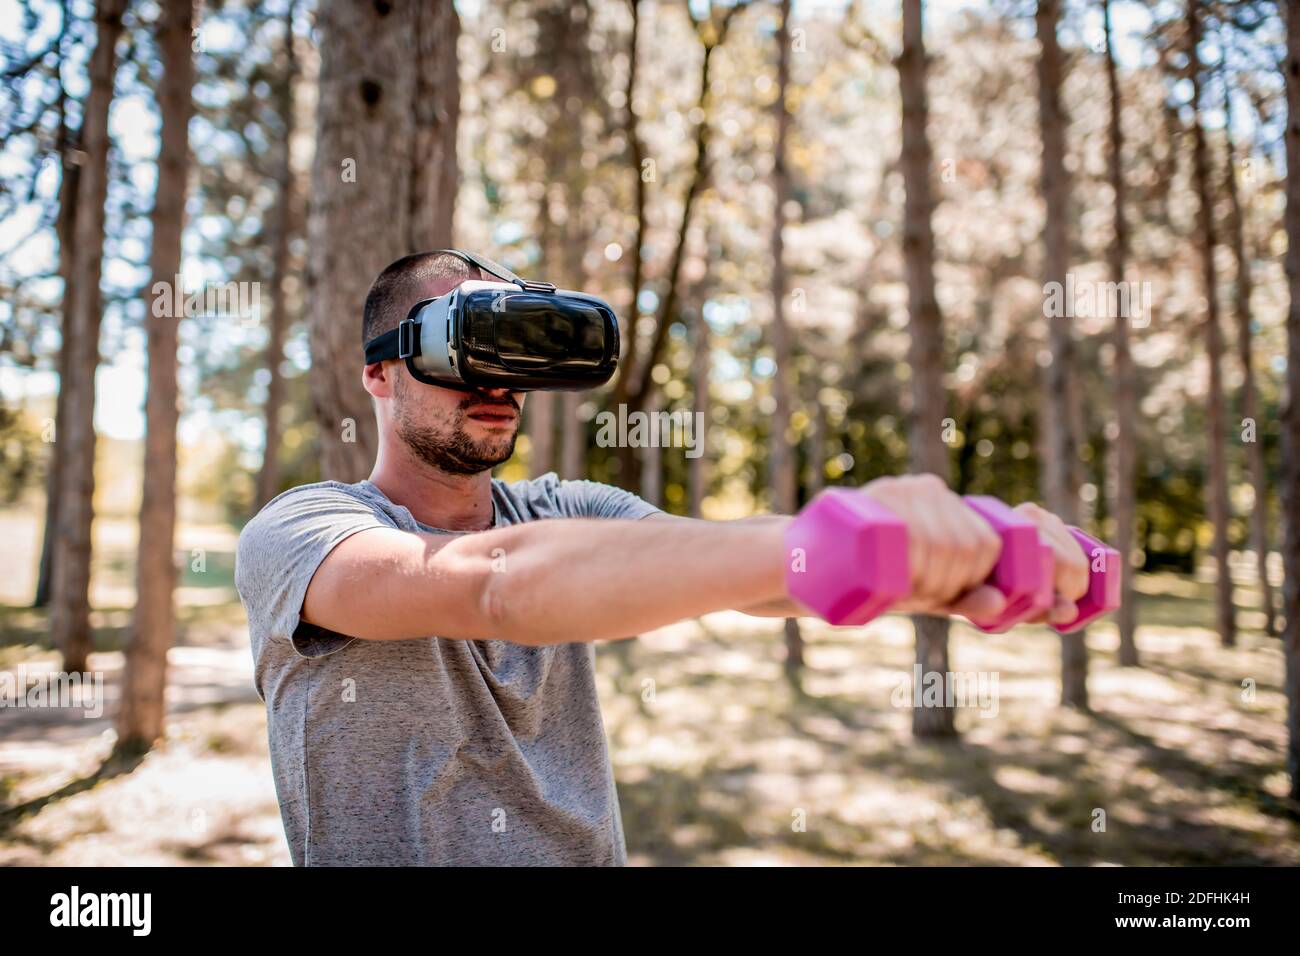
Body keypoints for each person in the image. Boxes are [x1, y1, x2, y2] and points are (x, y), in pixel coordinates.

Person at [235, 249, 1089, 866]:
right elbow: (489, 585)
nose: (499, 385)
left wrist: (954, 562)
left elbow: (746, 569)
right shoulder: (301, 532)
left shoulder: (567, 509)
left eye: (517, 355)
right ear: (380, 375)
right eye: (468, 351)